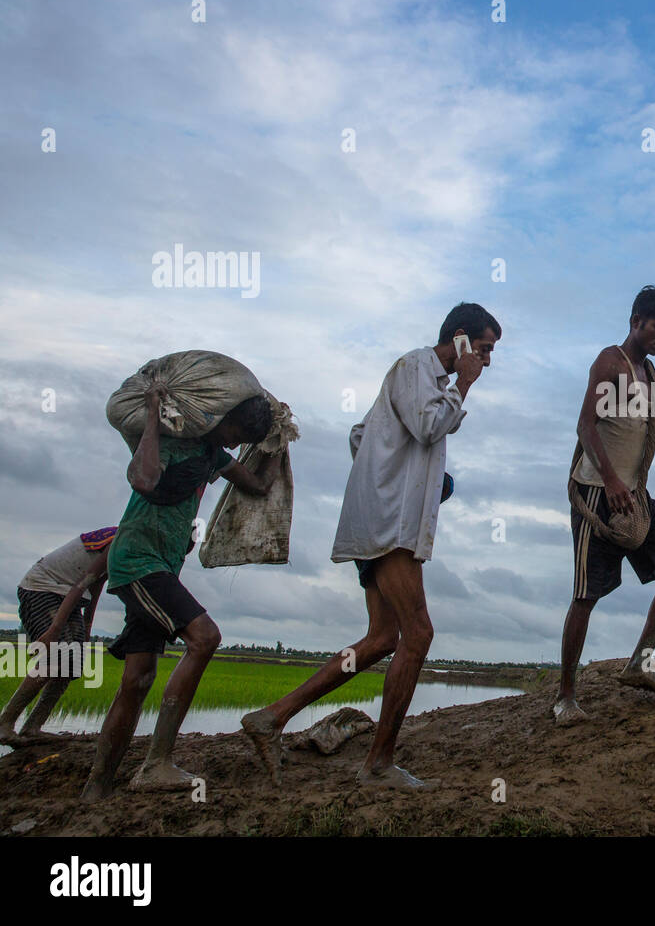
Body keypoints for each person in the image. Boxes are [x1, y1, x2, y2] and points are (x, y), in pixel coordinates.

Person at [242, 302, 500, 790]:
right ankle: (379, 764)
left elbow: (361, 436)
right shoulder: (415, 366)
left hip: (381, 518)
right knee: (418, 635)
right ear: (461, 338)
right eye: (484, 350)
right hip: (388, 527)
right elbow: (426, 427)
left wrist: (402, 476)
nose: (486, 361)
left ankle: (271, 717)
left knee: (383, 639)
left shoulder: (421, 378)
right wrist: (464, 384)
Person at [81, 386, 278, 801]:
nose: (235, 441)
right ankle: (157, 764)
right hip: (138, 561)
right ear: (219, 415)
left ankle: (96, 788)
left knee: (137, 680)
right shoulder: (174, 442)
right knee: (205, 637)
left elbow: (258, 486)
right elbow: (143, 479)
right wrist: (153, 414)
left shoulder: (214, 456)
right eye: (236, 429)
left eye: (244, 439)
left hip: (163, 566)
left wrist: (280, 442)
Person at [553, 285, 655, 726]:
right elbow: (586, 424)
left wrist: (633, 486)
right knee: (586, 595)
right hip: (597, 492)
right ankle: (565, 697)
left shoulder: (650, 374)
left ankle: (638, 664)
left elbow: (639, 436)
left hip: (634, 494)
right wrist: (612, 480)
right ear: (636, 321)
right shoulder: (610, 361)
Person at [0, 528, 116, 745]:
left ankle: (32, 727)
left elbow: (98, 582)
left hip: (69, 596)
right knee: (55, 659)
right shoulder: (126, 538)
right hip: (42, 588)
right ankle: (5, 723)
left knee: (72, 666)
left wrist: (88, 623)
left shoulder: (134, 545)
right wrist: (53, 630)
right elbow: (86, 580)